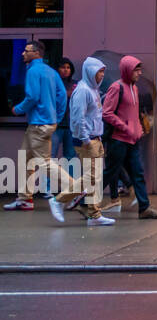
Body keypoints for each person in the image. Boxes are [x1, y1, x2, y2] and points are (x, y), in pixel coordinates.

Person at [49, 57, 114, 226]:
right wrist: (85, 139)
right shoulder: (83, 91)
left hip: (95, 139)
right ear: (90, 72)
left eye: (102, 72)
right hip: (87, 140)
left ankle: (94, 214)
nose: (101, 75)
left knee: (95, 179)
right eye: (99, 71)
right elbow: (78, 118)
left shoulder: (92, 90)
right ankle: (59, 200)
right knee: (90, 177)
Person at [4, 41, 67, 211]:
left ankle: (77, 188)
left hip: (38, 125)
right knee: (26, 160)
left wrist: (17, 109)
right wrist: (56, 117)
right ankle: (24, 199)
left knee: (44, 163)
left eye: (27, 51)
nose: (23, 53)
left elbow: (32, 97)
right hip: (44, 123)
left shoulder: (33, 70)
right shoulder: (51, 72)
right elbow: (62, 97)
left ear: (37, 53)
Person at [101, 56, 157, 219]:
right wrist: (126, 127)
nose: (139, 73)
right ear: (127, 70)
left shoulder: (134, 88)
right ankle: (85, 203)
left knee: (138, 173)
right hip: (118, 140)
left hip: (132, 140)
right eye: (136, 70)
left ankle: (144, 207)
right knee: (109, 173)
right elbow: (107, 113)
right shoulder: (117, 87)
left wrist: (137, 128)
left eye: (139, 70)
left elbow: (133, 114)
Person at [51, 57, 78, 176]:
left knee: (70, 157)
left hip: (71, 126)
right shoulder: (53, 83)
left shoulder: (75, 84)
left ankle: (70, 189)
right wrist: (65, 94)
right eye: (63, 67)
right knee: (51, 157)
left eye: (68, 68)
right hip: (55, 125)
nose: (66, 70)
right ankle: (47, 189)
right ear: (57, 69)